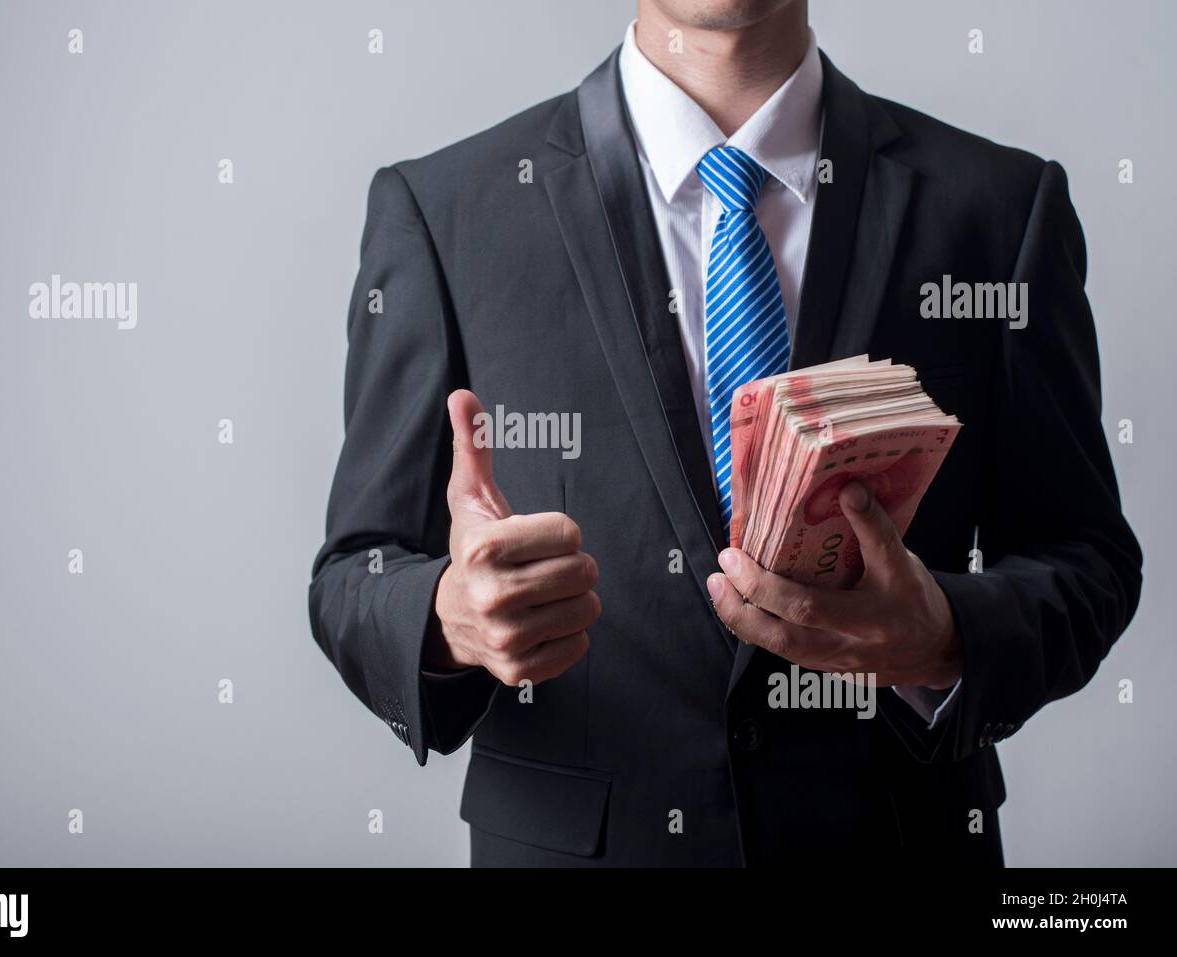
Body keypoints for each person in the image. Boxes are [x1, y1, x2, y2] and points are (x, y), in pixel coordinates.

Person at [308, 0, 1142, 866]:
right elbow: (352, 573)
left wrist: (944, 637)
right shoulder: (444, 213)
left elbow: (1088, 558)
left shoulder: (998, 208)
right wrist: (449, 618)